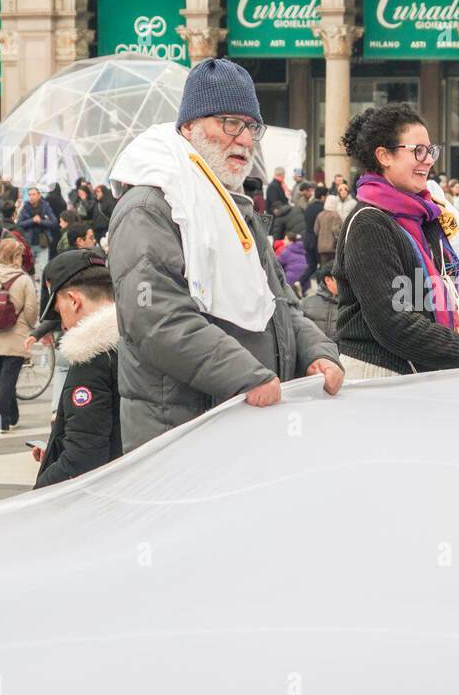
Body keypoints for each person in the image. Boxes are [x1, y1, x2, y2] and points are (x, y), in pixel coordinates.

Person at [107, 57, 341, 451]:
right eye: (230, 123)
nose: (245, 139)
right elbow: (154, 316)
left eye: (251, 126)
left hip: (243, 419)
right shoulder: (151, 205)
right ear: (189, 127)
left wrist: (318, 352)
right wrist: (246, 374)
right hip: (182, 430)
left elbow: (283, 305)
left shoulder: (234, 207)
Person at [333, 103, 459, 377]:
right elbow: (390, 319)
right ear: (384, 156)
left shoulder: (425, 216)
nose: (428, 160)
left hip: (422, 369)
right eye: (418, 151)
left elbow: (458, 299)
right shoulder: (369, 223)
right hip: (380, 374)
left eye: (430, 150)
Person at [30, 250, 123, 488]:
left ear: (74, 300)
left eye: (59, 311)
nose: (62, 323)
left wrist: (35, 497)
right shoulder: (132, 339)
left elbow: (84, 458)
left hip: (100, 498)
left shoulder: (92, 357)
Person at [0, 238, 36, 432]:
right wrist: (30, 326)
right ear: (16, 256)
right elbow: (31, 310)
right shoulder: (24, 280)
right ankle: (1, 420)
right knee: (8, 380)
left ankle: (12, 415)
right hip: (16, 336)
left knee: (3, 379)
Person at [18, 186, 58, 282]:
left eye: (34, 194)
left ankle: (42, 291)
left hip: (42, 243)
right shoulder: (25, 207)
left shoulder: (45, 206)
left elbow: (54, 222)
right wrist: (32, 220)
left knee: (43, 269)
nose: (31, 197)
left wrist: (41, 221)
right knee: (28, 269)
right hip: (29, 242)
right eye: (29, 195)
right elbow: (20, 223)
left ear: (39, 195)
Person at [300, 262, 340, 341]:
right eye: (340, 279)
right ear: (328, 280)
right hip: (314, 352)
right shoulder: (306, 303)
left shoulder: (351, 305)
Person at [315, 193, 343, 266]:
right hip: (332, 247)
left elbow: (316, 230)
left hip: (321, 247)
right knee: (332, 268)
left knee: (323, 268)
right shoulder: (335, 215)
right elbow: (336, 230)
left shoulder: (320, 215)